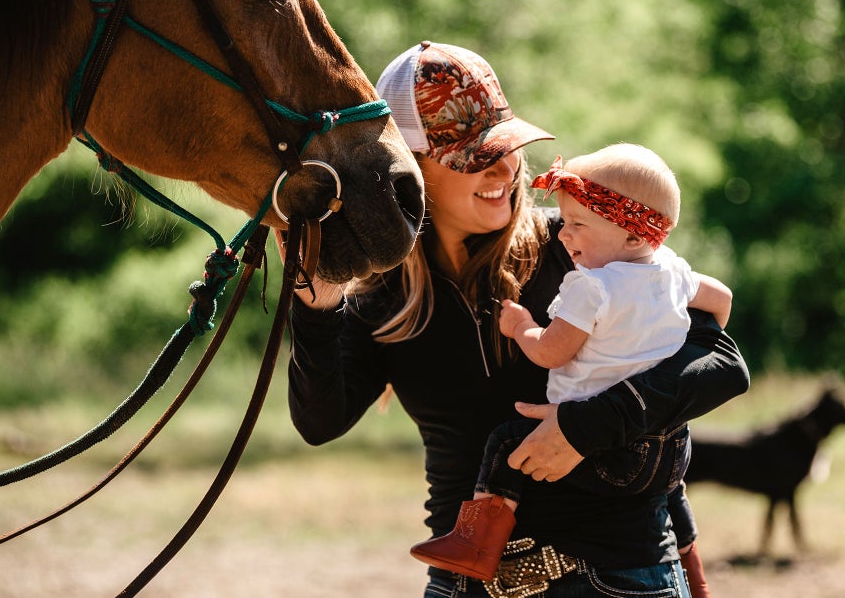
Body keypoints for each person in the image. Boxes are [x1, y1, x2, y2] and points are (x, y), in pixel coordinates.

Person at [285, 41, 749, 597]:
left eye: (506, 146)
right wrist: (317, 305)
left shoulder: (581, 248)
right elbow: (320, 422)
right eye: (474, 156)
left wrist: (586, 427)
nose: (506, 167)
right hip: (464, 587)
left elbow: (722, 363)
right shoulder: (382, 294)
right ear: (408, 170)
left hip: (613, 578)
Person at [409, 143, 732, 584]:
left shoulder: (592, 288)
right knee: (668, 491)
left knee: (506, 442)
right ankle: (693, 575)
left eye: (578, 225)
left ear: (634, 235)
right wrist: (668, 337)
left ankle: (477, 540)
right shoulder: (673, 271)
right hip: (663, 446)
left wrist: (521, 327)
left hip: (589, 438)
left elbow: (551, 352)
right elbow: (721, 300)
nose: (564, 234)